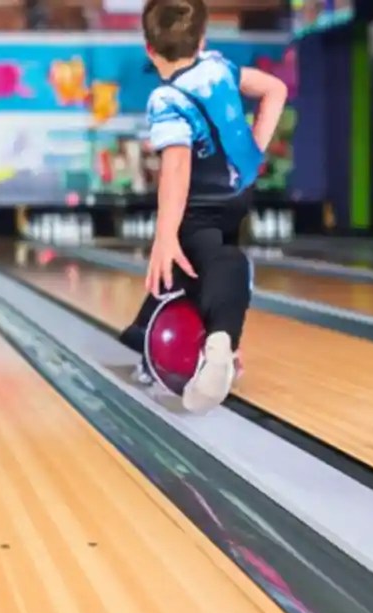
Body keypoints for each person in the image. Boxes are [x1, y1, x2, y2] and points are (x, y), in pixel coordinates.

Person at [117, 0, 287, 413]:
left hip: (198, 204)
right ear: (203, 40)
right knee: (195, 270)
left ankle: (220, 343)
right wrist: (253, 150)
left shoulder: (166, 98)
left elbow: (175, 168)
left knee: (213, 261)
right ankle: (147, 340)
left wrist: (164, 234)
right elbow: (274, 90)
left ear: (149, 49)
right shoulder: (218, 67)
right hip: (236, 196)